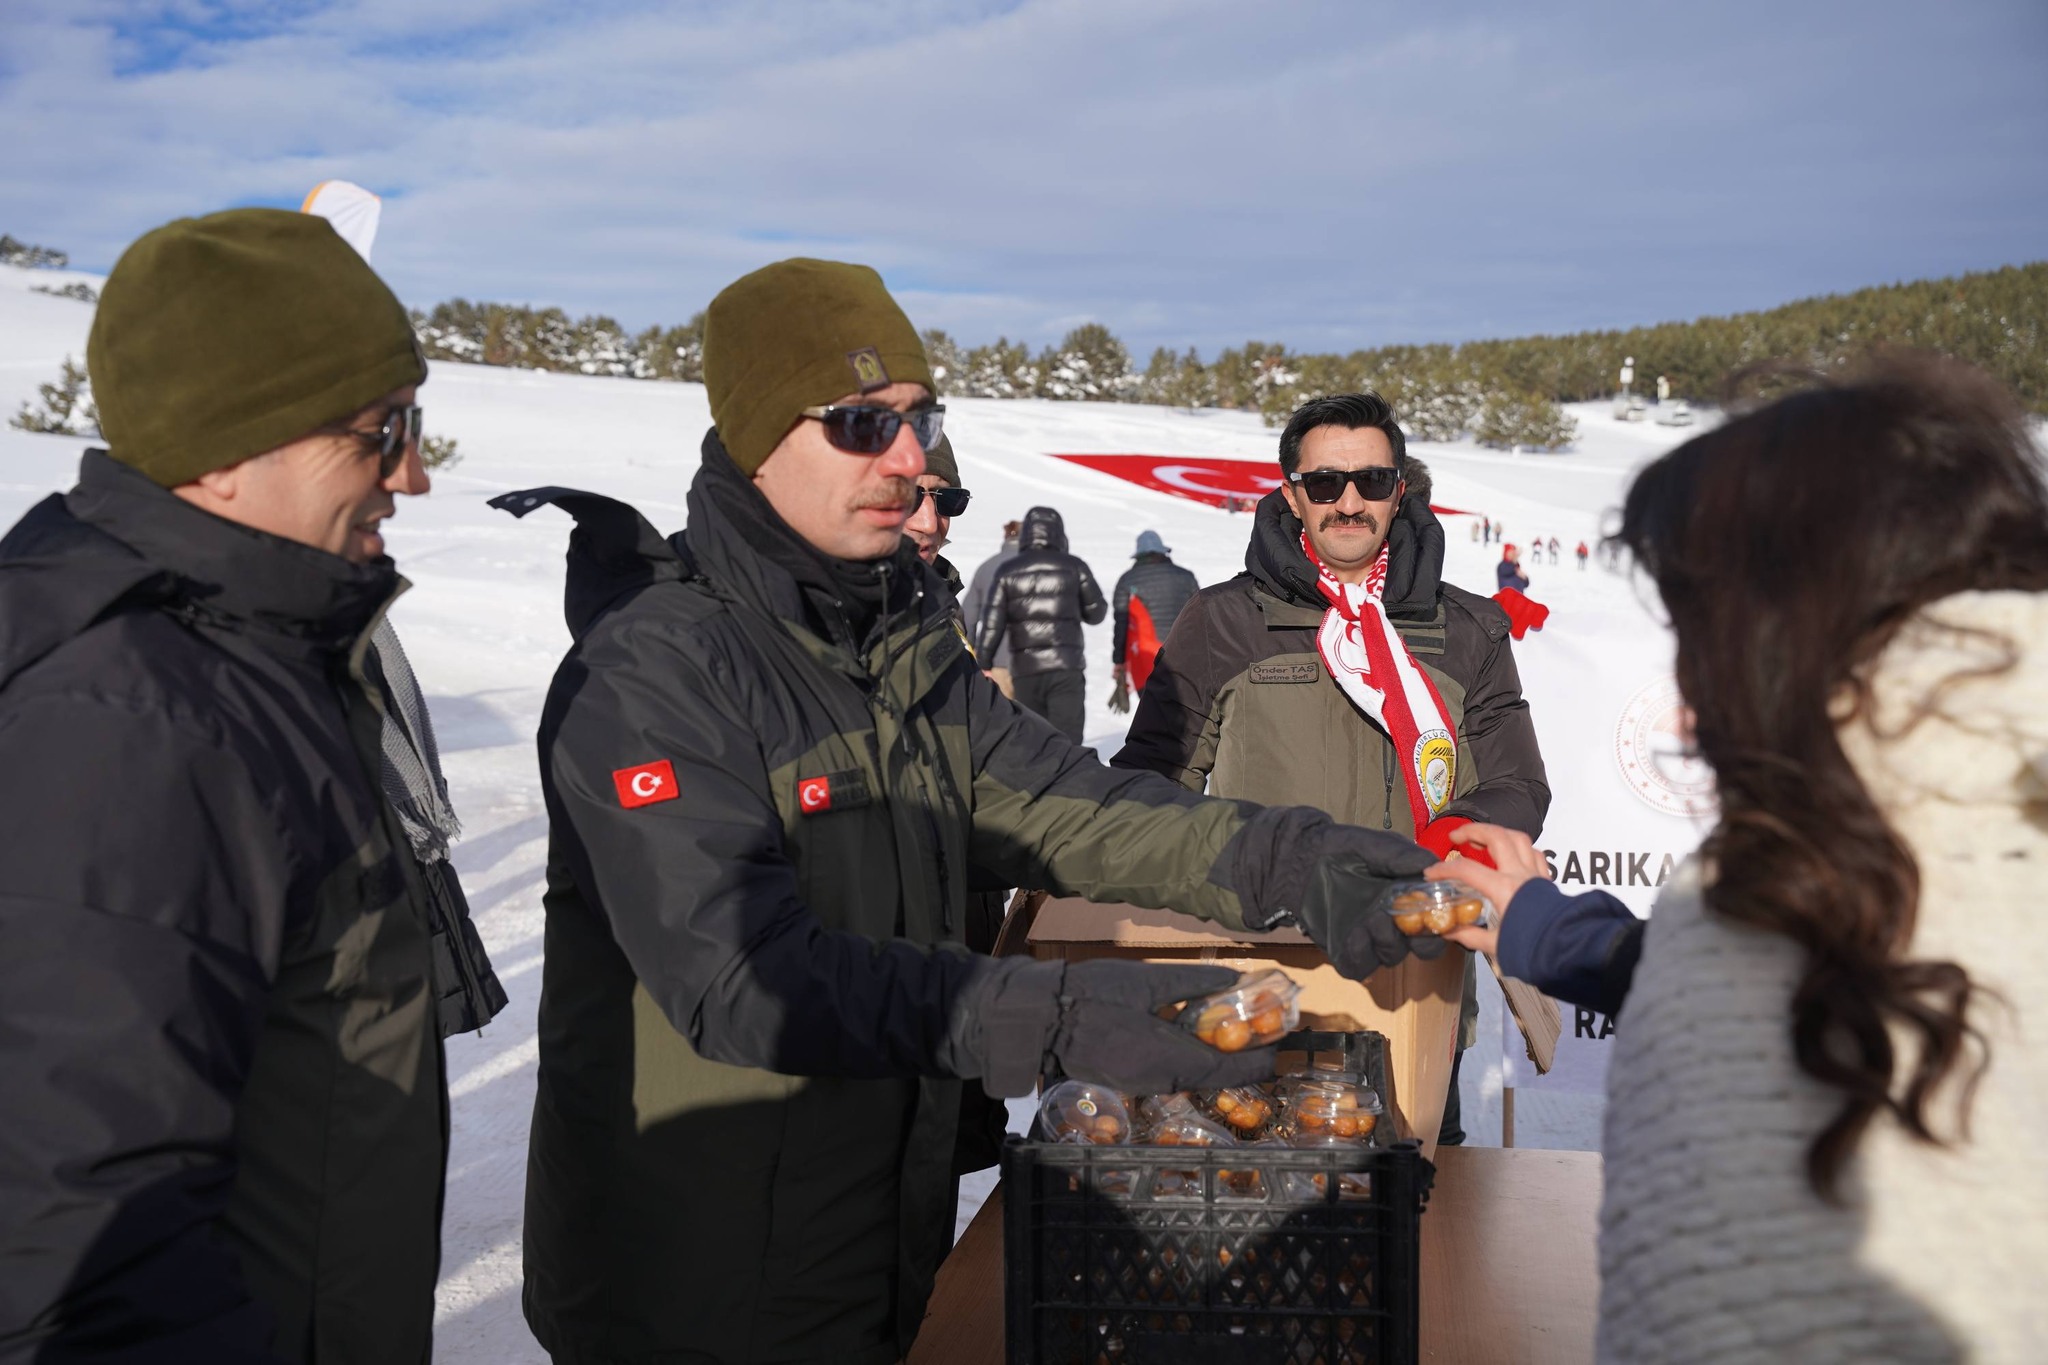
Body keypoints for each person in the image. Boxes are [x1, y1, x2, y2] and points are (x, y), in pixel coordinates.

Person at [496, 258, 1445, 1365]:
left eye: (916, 420)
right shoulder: (657, 667)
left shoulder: (896, 640)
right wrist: (1048, 1017)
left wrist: (1292, 858)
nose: (907, 461)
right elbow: (737, 977)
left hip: (868, 1238)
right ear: (756, 440)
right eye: (860, 424)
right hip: (693, 1282)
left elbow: (1068, 804)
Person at [1435, 354, 2048, 1361]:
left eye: (1708, 628)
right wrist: (1546, 927)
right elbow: (1792, 975)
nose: (1689, 695)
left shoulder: (1998, 827)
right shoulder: (1906, 803)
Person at [0, 209, 449, 1361]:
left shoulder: (254, 659)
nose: (414, 474)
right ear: (221, 451)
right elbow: (82, 1238)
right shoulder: (133, 720)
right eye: (380, 431)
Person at [1113, 392, 1550, 1148]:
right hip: (1263, 985)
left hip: (1417, 981)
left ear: (1399, 490)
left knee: (1417, 1229)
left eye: (1372, 482)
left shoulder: (1470, 628)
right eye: (1324, 484)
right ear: (1291, 493)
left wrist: (1437, 858)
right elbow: (1153, 781)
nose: (1348, 502)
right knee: (1259, 1225)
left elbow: (1517, 782)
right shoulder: (1224, 621)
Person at [971, 504, 1106, 744]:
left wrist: (984, 663)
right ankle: (1069, 781)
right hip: (1066, 668)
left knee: (1034, 742)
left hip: (1025, 669)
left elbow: (993, 623)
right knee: (1069, 745)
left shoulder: (1007, 571)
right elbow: (1097, 613)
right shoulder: (1074, 566)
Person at [1110, 528, 1199, 706]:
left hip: (1145, 658)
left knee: (1152, 711)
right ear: (1163, 552)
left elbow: (1121, 623)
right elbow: (1200, 616)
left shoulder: (1127, 580)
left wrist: (1118, 661)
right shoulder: (1186, 577)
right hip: (1183, 654)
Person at [962, 516, 1020, 670]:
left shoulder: (986, 567)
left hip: (993, 661)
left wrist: (969, 654)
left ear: (1005, 536)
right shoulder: (1041, 568)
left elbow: (968, 615)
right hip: (1035, 665)